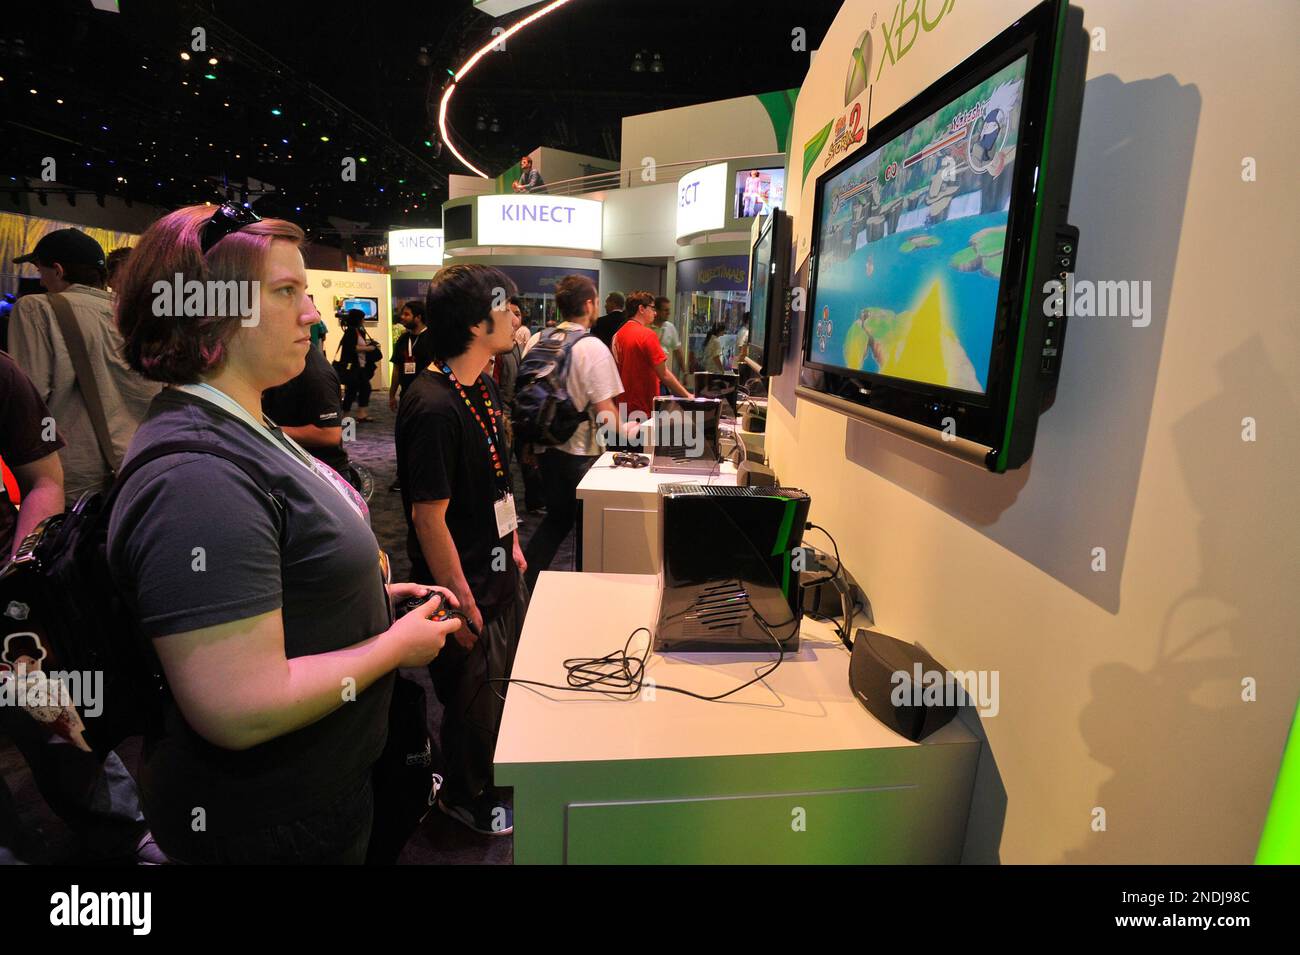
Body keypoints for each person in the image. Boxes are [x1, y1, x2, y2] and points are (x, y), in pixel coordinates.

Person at [108, 203, 459, 864]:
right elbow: (238, 705)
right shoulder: (198, 478)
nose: (312, 313)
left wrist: (361, 595)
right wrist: (391, 645)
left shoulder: (242, 423)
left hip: (308, 794)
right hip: (266, 823)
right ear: (209, 312)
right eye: (285, 292)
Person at [395, 263, 530, 836]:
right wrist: (463, 601)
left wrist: (515, 542)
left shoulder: (482, 384)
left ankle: (489, 780)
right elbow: (429, 519)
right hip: (463, 581)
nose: (518, 315)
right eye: (509, 306)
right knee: (471, 701)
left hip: (499, 566)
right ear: (477, 324)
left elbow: (496, 479)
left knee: (501, 689)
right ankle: (462, 798)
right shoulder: (431, 404)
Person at [8, 228, 160, 506]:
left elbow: (29, 397)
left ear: (58, 269)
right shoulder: (134, 314)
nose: (41, 282)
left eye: (41, 271)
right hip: (140, 467)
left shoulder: (36, 309)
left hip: (72, 477)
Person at [521, 276, 628, 589]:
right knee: (590, 530)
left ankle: (526, 583)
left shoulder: (538, 340)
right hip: (580, 454)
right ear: (589, 304)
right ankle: (586, 589)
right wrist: (633, 430)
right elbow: (607, 418)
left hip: (544, 447)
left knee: (556, 519)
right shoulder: (592, 347)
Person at [261, 297, 350, 476]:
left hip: (318, 475)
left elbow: (330, 433)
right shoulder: (282, 362)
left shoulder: (315, 372)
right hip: (292, 469)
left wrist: (265, 430)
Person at [612, 290, 693, 423]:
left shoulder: (618, 334)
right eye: (652, 308)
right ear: (641, 309)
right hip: (643, 407)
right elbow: (664, 373)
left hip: (622, 406)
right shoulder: (647, 335)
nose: (655, 313)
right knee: (646, 442)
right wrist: (687, 395)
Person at [388, 299, 436, 412]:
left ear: (418, 317)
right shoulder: (403, 339)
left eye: (406, 314)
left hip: (428, 395)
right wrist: (391, 395)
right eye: (402, 314)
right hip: (406, 394)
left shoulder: (432, 339)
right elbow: (396, 369)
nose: (402, 317)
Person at [337, 308, 380, 422]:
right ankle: (347, 415)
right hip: (353, 367)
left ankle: (360, 414)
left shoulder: (358, 330)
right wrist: (369, 348)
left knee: (364, 389)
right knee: (353, 390)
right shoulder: (351, 331)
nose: (364, 320)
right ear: (358, 319)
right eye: (362, 318)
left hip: (360, 367)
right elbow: (351, 348)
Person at [652, 296, 686, 381]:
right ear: (657, 311)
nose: (668, 313)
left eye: (669, 310)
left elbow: (678, 351)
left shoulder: (670, 327)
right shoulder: (647, 327)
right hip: (649, 376)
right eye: (665, 310)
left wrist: (684, 372)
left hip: (663, 376)